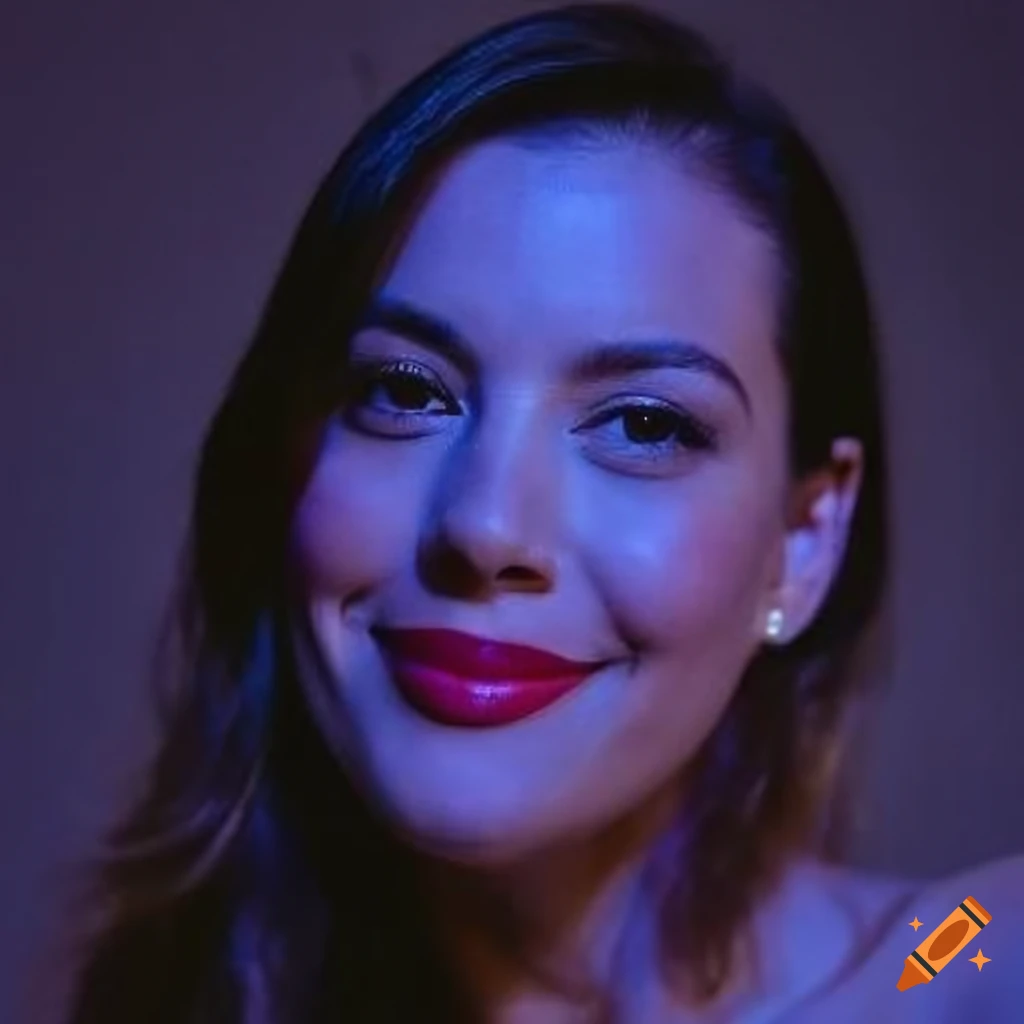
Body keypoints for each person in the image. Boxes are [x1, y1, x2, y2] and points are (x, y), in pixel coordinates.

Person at [60, 3, 1023, 1022]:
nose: (482, 526)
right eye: (405, 390)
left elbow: (959, 959)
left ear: (803, 538)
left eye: (645, 424)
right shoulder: (178, 997)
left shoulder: (961, 959)